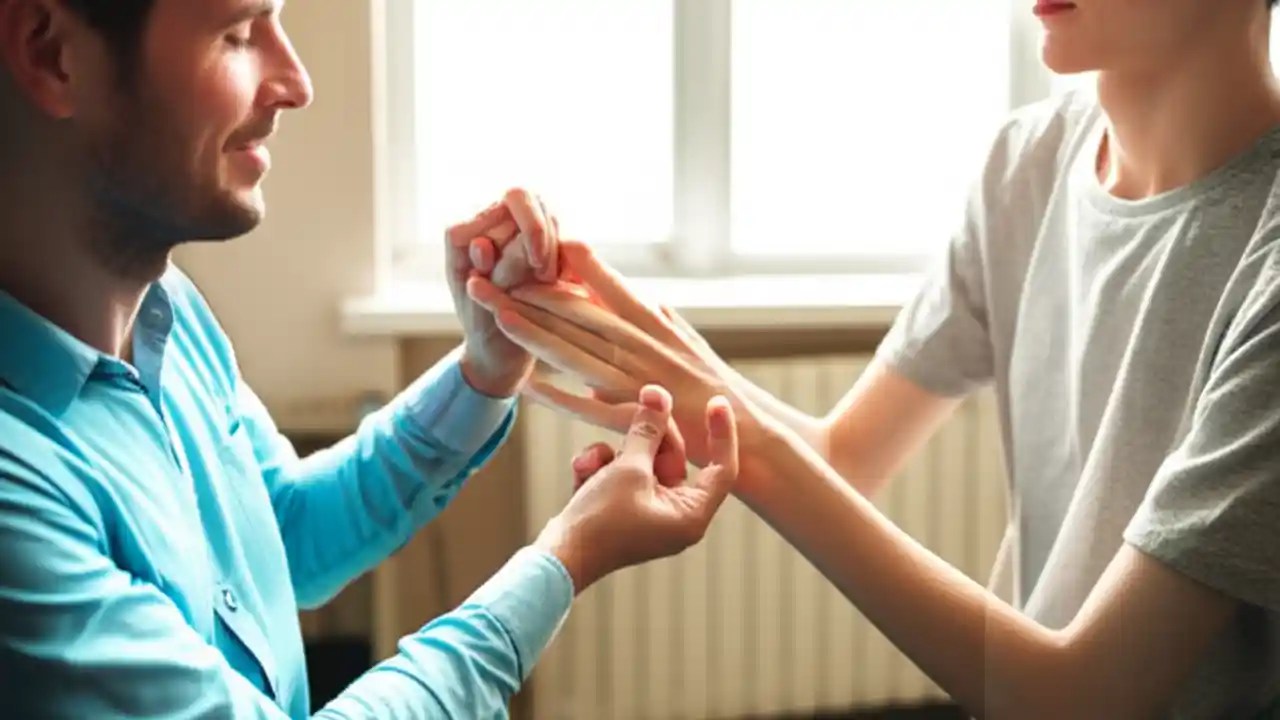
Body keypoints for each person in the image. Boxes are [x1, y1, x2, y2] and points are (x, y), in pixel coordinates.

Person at [466, 0, 1280, 717]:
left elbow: (1081, 697)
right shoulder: (1028, 161)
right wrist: (609, 330)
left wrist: (739, 427)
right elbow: (845, 456)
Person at [0, 0, 740, 717]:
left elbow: (288, 535)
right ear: (50, 51)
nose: (296, 82)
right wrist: (566, 558)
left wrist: (486, 367)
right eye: (238, 32)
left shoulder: (169, 311)